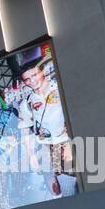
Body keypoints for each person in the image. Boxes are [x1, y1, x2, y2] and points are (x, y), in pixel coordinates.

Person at [15, 57, 73, 197]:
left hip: (65, 142)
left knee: (72, 181)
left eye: (34, 75)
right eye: (27, 79)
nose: (32, 81)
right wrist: (31, 156)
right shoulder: (26, 103)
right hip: (44, 146)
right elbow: (25, 130)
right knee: (52, 185)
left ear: (43, 73)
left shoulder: (60, 88)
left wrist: (70, 144)